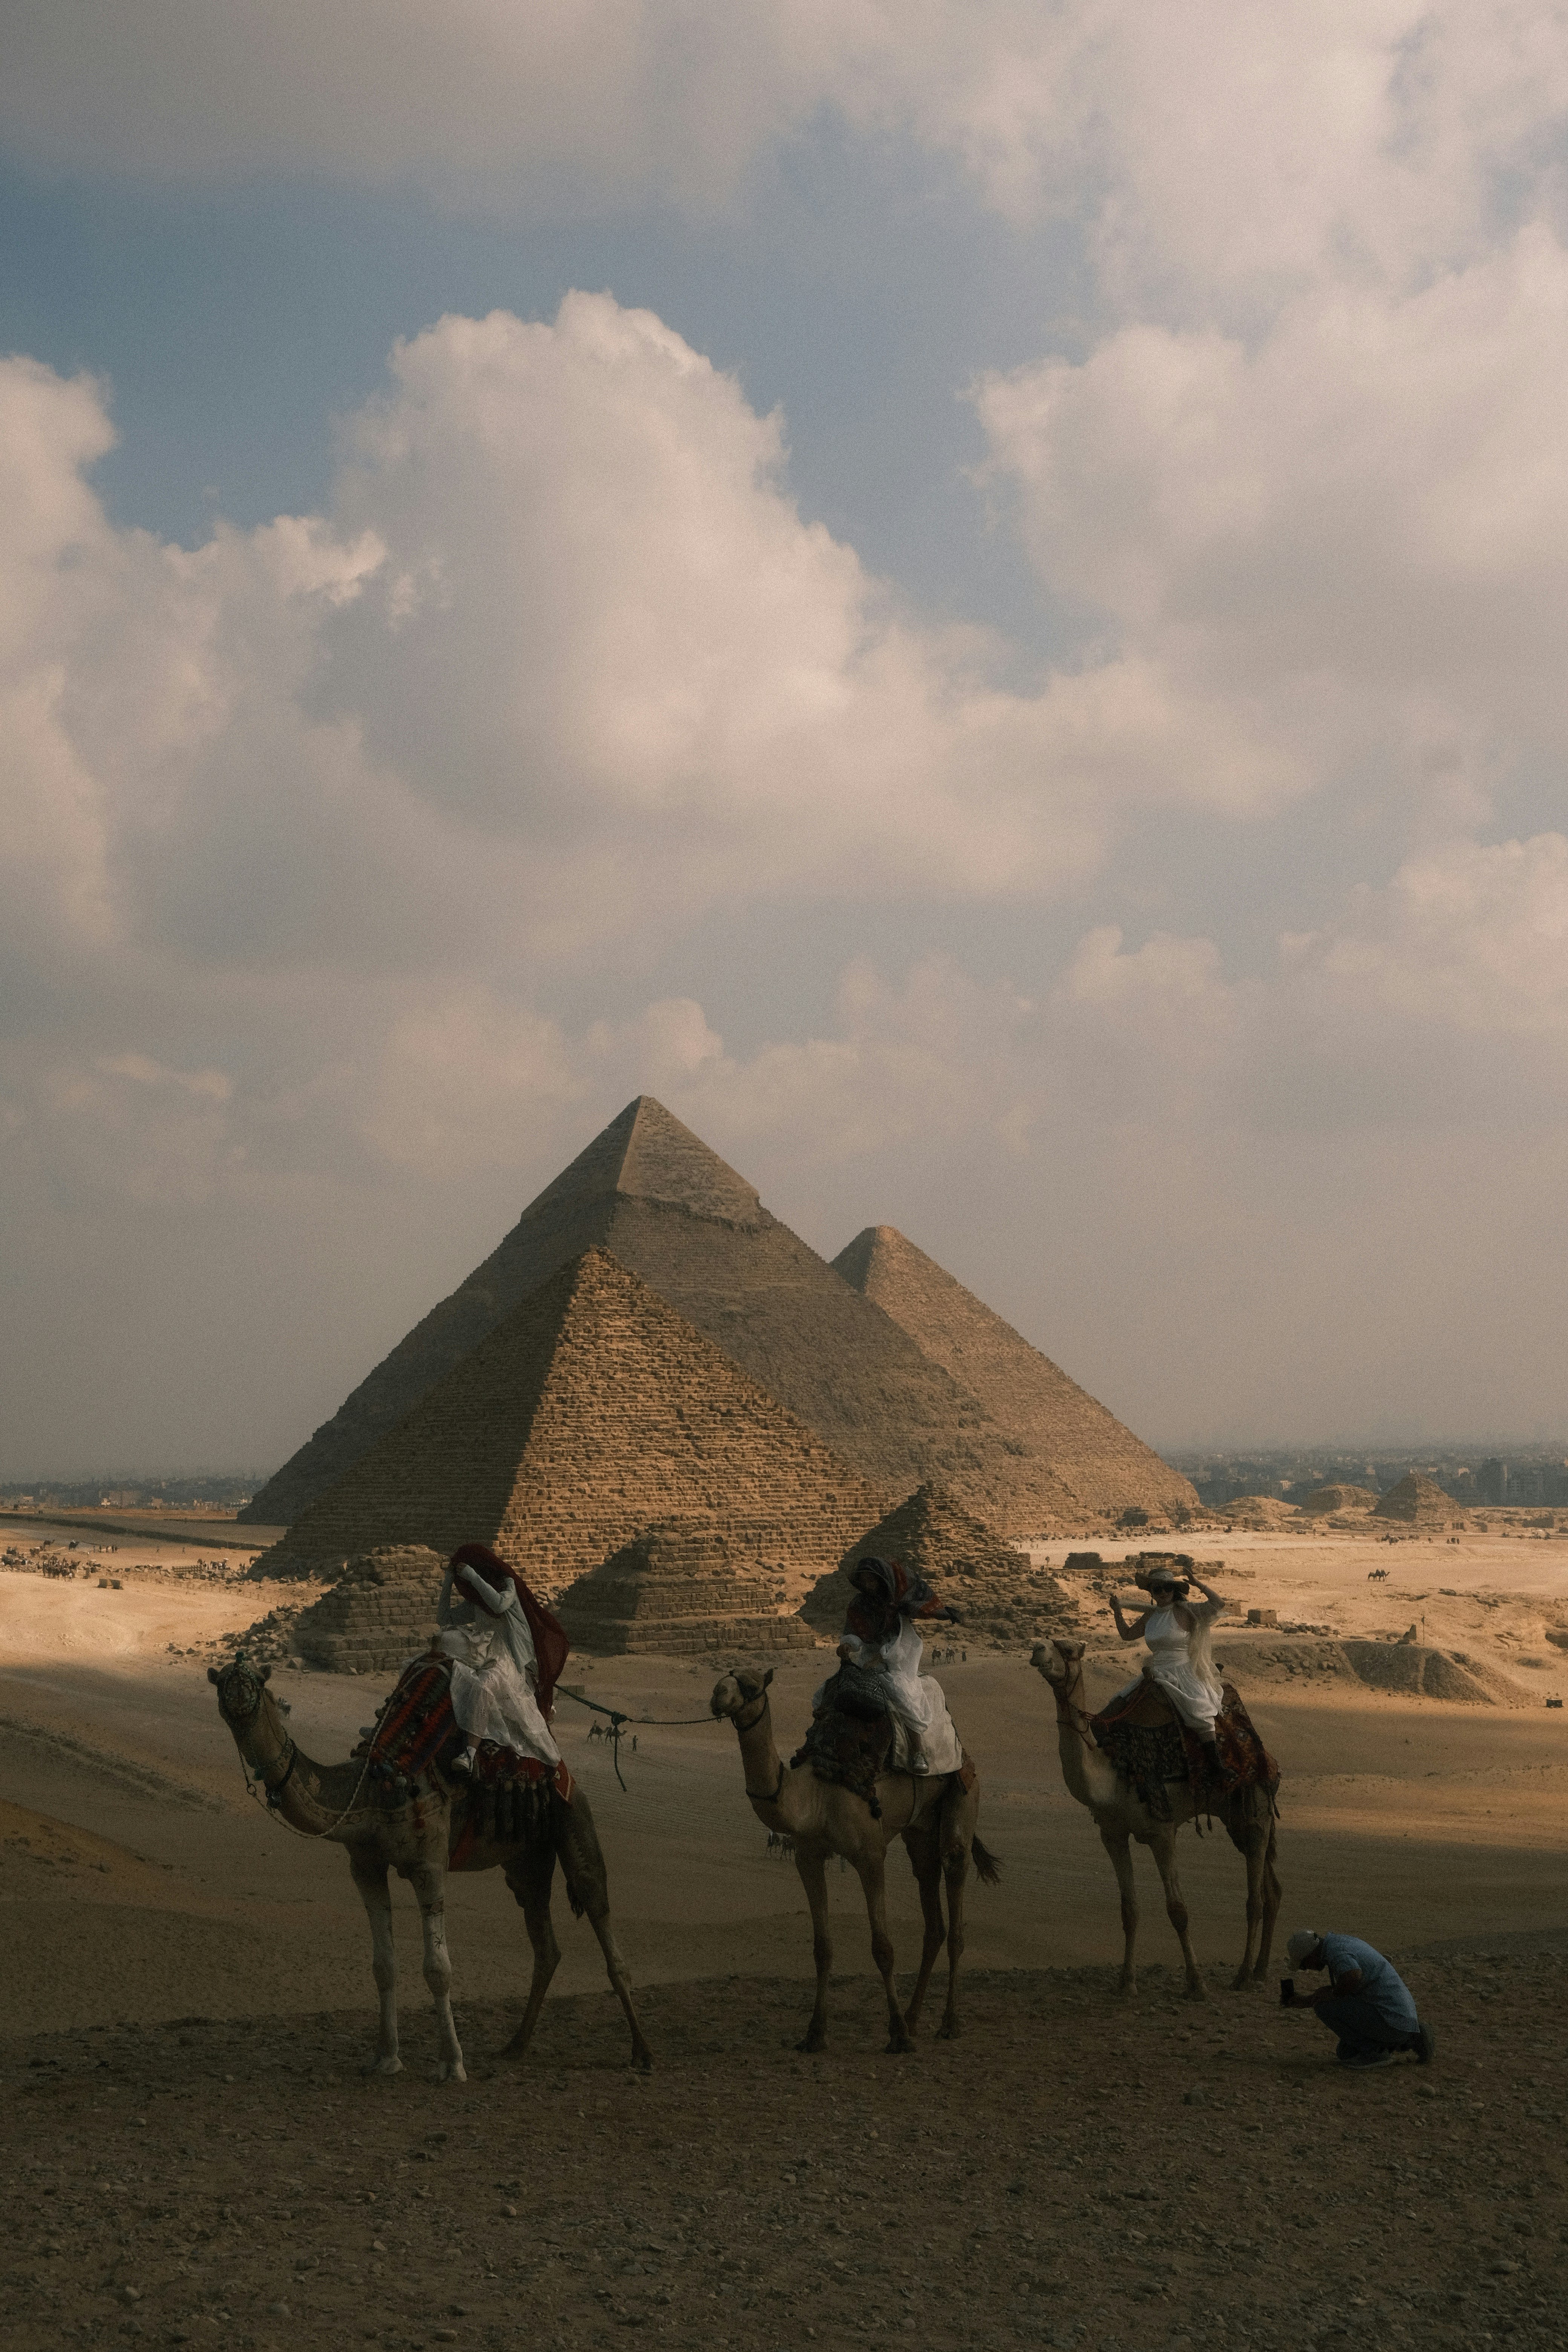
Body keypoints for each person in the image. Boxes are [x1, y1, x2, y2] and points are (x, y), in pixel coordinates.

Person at [433, 1542, 570, 1773]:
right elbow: (444, 1618)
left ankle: (470, 1751)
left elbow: (498, 1605)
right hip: (484, 1650)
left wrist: (473, 1577)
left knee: (484, 1685)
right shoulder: (477, 1602)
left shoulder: (509, 1588)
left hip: (508, 1657)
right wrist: (447, 1582)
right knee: (436, 1657)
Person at [827, 1554, 963, 1775]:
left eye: (871, 1579)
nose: (867, 1584)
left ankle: (918, 1751)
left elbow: (902, 1640)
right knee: (830, 1689)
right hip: (870, 1654)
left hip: (901, 1656)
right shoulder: (859, 1604)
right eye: (864, 1580)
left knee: (900, 1691)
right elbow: (854, 1633)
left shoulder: (896, 1606)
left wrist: (882, 1658)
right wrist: (847, 1647)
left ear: (881, 1580)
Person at [1108, 1561, 1228, 1772]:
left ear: (1174, 1590)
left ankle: (1217, 1768)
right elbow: (1127, 1636)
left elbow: (1218, 1605)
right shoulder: (1150, 1616)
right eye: (1157, 1589)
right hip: (1158, 1671)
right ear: (1152, 1593)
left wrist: (1199, 1585)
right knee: (1121, 1706)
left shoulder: (1189, 1611)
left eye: (1166, 1588)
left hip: (1184, 1670)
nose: (1162, 1592)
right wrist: (1118, 1612)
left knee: (1201, 1712)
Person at [1281, 1928, 1437, 2069]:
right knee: (1346, 2053)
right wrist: (1309, 2000)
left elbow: (1353, 1976)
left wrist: (1326, 1995)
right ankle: (1410, 2038)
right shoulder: (1340, 1942)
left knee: (1324, 2006)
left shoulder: (1337, 1952)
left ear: (1310, 1955)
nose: (1306, 1969)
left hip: (1390, 2019)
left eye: (1304, 1965)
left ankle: (1377, 2051)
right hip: (1396, 2016)